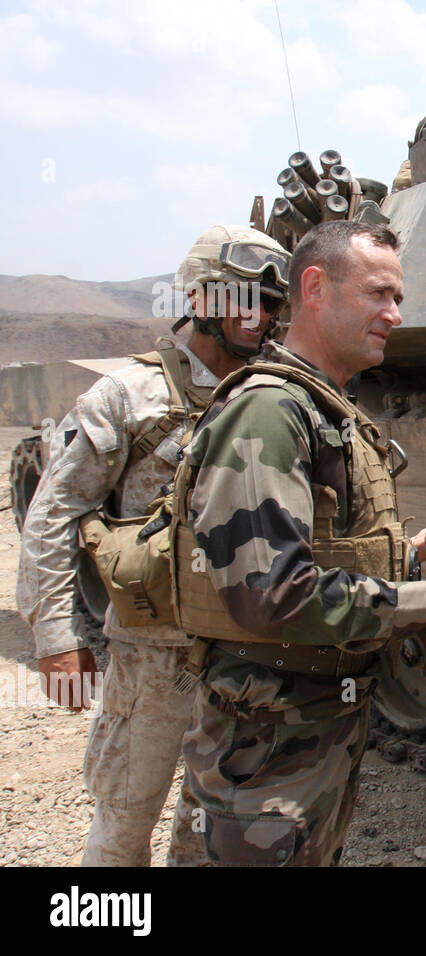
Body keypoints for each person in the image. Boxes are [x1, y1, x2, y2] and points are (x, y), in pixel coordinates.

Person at [173, 219, 426, 866]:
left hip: (312, 730)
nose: (394, 313)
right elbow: (269, 594)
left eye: (398, 297)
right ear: (314, 287)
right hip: (265, 746)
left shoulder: (319, 408)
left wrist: (417, 554)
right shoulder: (269, 414)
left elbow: (324, 554)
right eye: (377, 294)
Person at [16, 223, 291, 866]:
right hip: (153, 658)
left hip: (245, 656)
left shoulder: (273, 394)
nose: (260, 316)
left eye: (270, 302)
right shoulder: (128, 396)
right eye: (243, 298)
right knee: (122, 827)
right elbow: (55, 514)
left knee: (213, 834)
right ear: (201, 298)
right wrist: (57, 639)